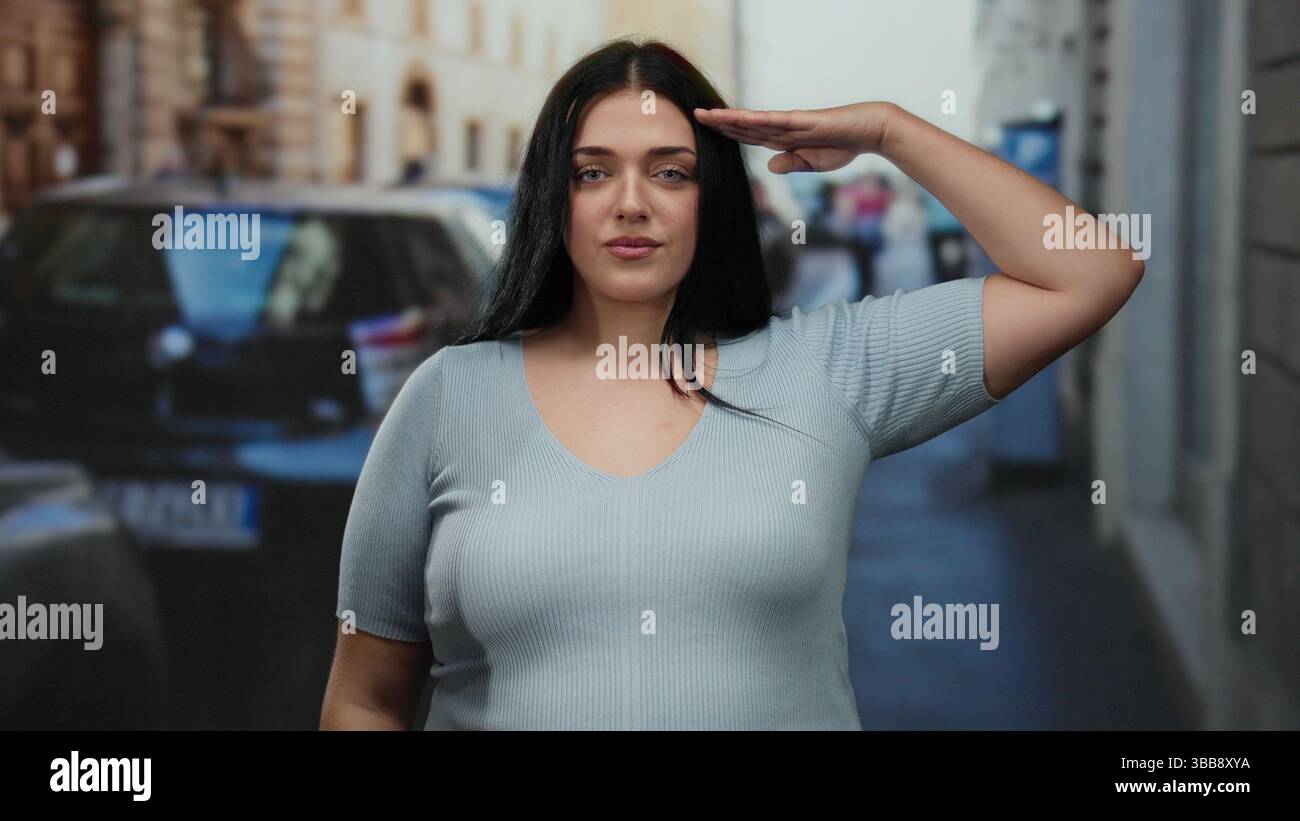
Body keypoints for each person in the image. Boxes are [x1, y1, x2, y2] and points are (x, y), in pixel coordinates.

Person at [321, 37, 1144, 730]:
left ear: (712, 200)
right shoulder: (448, 397)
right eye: (592, 172)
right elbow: (365, 698)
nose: (631, 203)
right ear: (552, 199)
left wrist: (891, 131)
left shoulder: (826, 369)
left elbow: (1091, 272)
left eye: (671, 172)